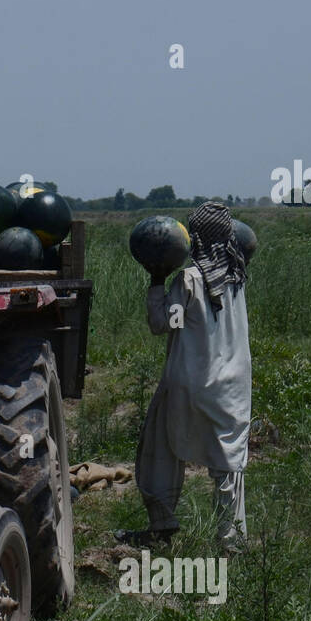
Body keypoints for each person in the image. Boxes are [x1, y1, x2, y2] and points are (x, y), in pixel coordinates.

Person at [117, 202, 252, 553]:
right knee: (230, 465)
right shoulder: (237, 279)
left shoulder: (191, 279)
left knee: (160, 449)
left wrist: (157, 280)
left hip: (187, 382)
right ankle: (232, 543)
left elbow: (163, 324)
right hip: (233, 387)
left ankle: (161, 526)